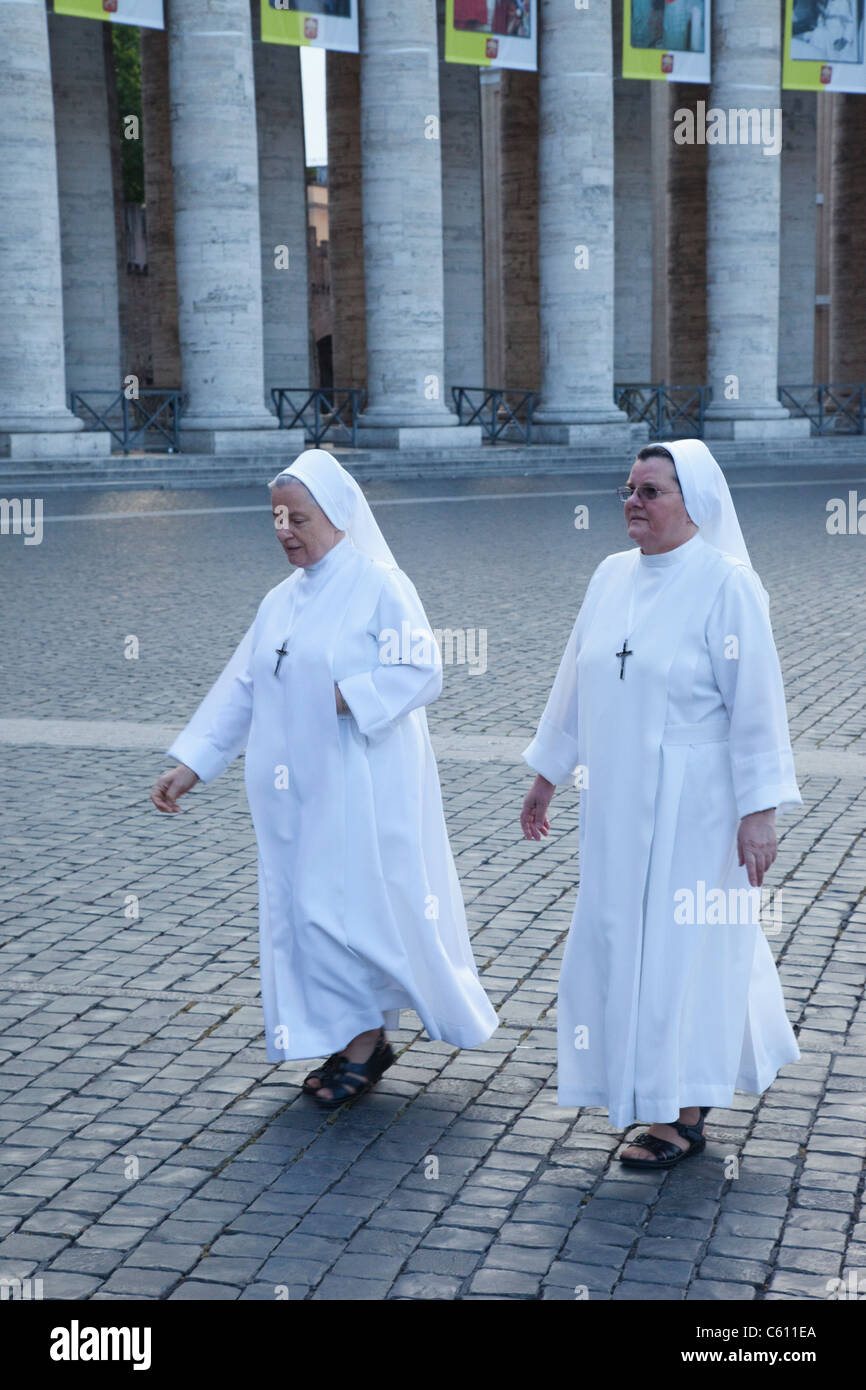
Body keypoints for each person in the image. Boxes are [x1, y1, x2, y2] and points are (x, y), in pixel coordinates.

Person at [151, 449, 498, 1110]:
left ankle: (365, 1044)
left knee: (346, 913)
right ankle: (353, 1036)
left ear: (336, 514)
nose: (285, 530)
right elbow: (241, 688)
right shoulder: (280, 601)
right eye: (277, 517)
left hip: (356, 788)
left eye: (298, 517)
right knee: (306, 917)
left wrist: (343, 696)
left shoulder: (378, 584)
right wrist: (192, 765)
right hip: (289, 798)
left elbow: (421, 669)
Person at [520, 439, 802, 1168]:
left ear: (693, 502)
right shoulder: (610, 576)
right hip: (615, 804)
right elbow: (575, 679)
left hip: (696, 807)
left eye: (650, 491)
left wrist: (759, 810)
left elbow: (757, 702)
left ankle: (682, 1112)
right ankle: (647, 1083)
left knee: (686, 950)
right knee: (621, 939)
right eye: (628, 489)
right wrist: (549, 772)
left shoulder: (726, 583)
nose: (632, 503)